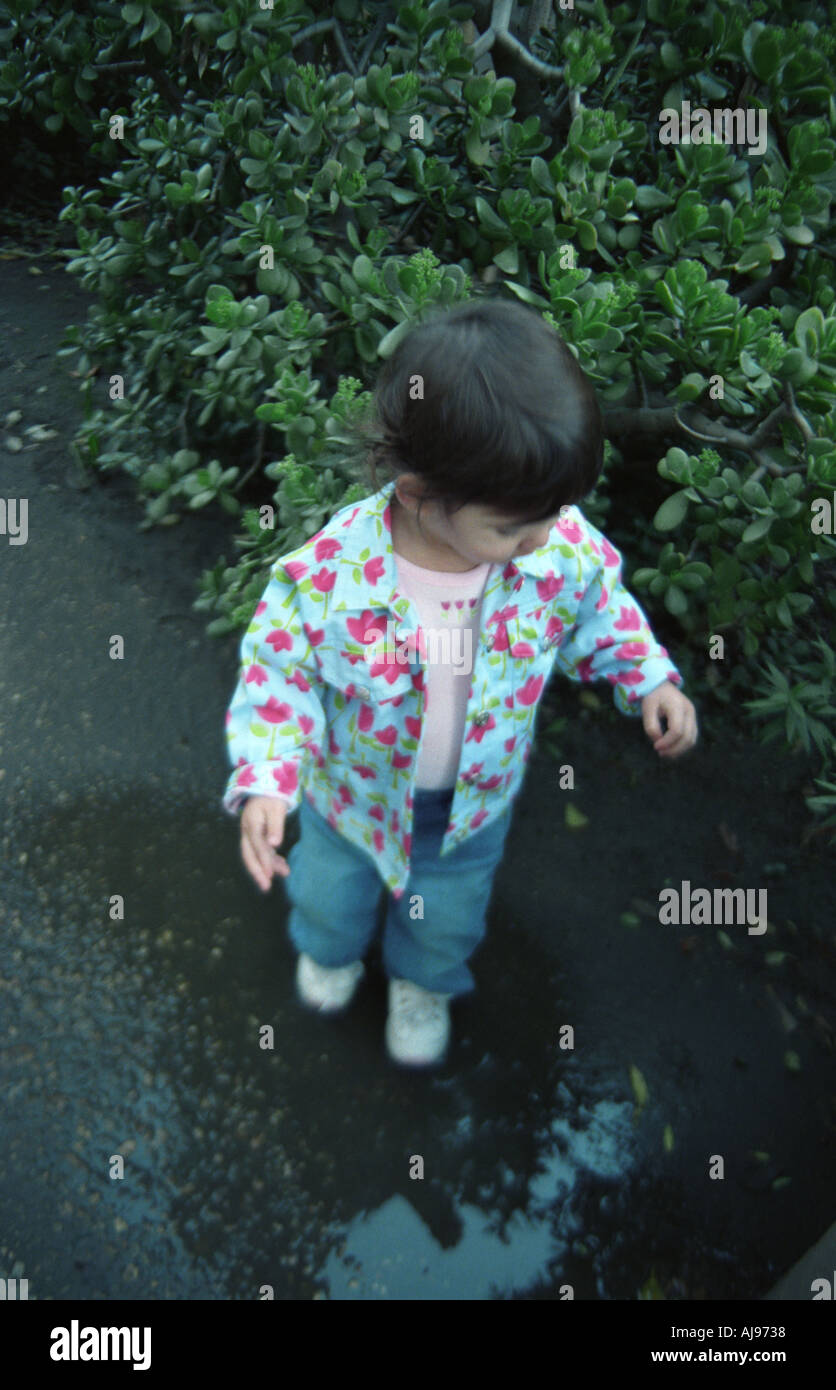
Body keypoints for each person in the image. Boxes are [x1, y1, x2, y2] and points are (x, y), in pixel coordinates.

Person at [222, 299, 698, 1069]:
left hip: (472, 803)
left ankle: (424, 981)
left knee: (445, 914)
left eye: (558, 512)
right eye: (513, 528)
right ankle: (330, 953)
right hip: (351, 797)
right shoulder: (333, 577)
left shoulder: (555, 548)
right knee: (327, 894)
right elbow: (281, 671)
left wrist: (647, 679)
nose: (542, 537)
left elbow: (601, 609)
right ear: (418, 495)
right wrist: (269, 778)